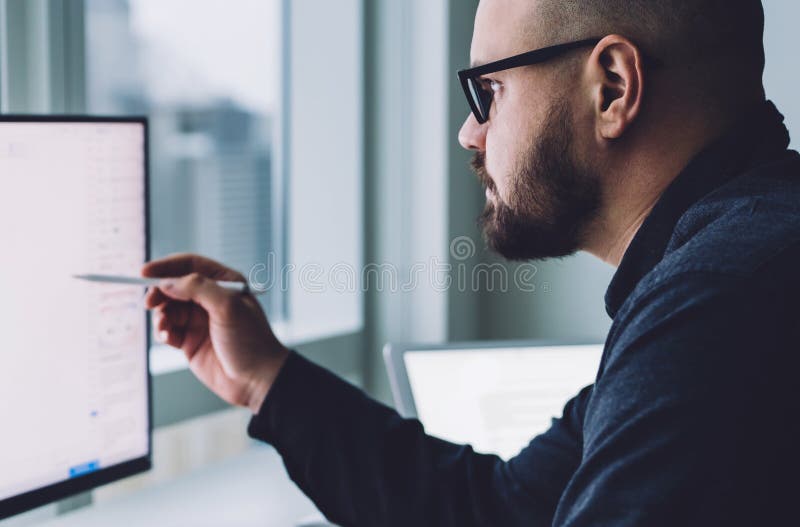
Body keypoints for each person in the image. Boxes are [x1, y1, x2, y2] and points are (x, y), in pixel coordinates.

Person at [142, 0, 800, 525]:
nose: (468, 131)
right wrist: (266, 378)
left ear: (613, 87)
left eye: (490, 89)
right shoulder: (735, 268)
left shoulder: (716, 306)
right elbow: (500, 510)